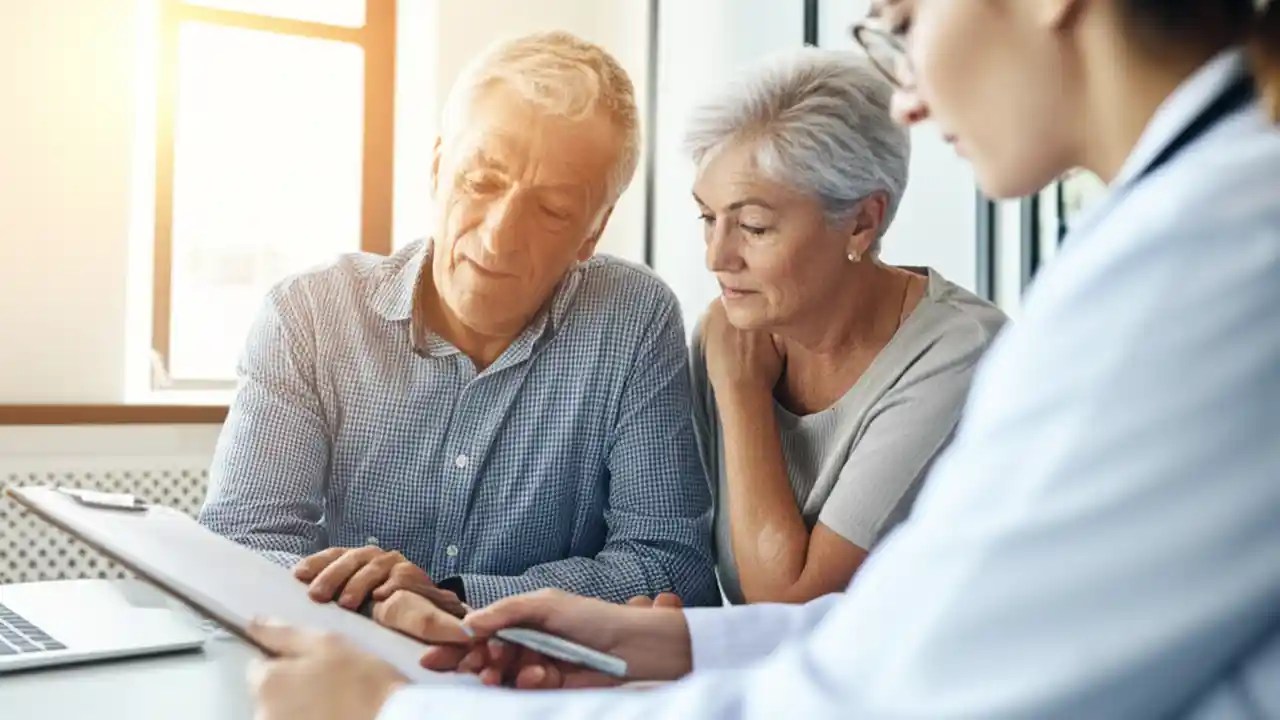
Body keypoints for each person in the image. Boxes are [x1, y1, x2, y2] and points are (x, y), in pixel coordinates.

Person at [247, 0, 1280, 717]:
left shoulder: (1205, 257)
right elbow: (900, 628)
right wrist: (662, 641)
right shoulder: (1192, 228)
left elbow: (893, 690)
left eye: (908, 26)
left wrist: (402, 711)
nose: (909, 101)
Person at [199, 30, 722, 639]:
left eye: (551, 210)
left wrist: (451, 598)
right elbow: (234, 552)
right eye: (481, 181)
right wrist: (375, 604)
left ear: (593, 230)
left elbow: (672, 570)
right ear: (438, 168)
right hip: (337, 670)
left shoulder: (633, 319)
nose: (499, 236)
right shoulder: (309, 315)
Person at [684, 49, 1004, 606]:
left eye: (754, 227)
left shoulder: (959, 354)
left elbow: (792, 607)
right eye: (709, 219)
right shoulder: (733, 325)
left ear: (862, 222)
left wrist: (742, 394)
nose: (717, 257)